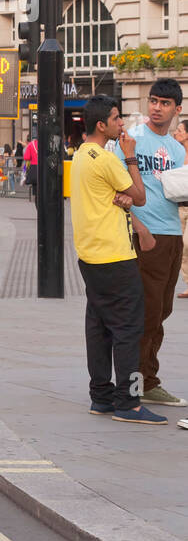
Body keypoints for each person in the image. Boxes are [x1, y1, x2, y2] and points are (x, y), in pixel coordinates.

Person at [71, 95, 165, 424]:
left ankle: (101, 396)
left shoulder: (83, 154)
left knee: (98, 327)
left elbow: (120, 199)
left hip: (90, 255)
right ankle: (130, 402)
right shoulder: (109, 159)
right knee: (130, 328)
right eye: (116, 118)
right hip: (115, 256)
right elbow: (139, 196)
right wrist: (131, 158)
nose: (121, 123)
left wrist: (124, 199)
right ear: (101, 125)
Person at [128, 79, 187, 407]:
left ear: (177, 109)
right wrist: (138, 228)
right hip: (145, 234)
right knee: (148, 310)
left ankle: (145, 378)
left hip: (171, 234)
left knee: (162, 308)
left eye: (165, 103)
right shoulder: (133, 139)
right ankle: (140, 381)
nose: (156, 107)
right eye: (153, 100)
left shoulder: (178, 150)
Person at [175, 116, 188, 300]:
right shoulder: (176, 153)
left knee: (187, 244)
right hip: (178, 206)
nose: (176, 132)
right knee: (180, 247)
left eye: (179, 130)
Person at [23, 137, 39, 203]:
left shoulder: (31, 144)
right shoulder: (46, 143)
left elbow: (26, 157)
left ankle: (38, 207)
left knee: (36, 189)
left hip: (34, 168)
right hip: (44, 169)